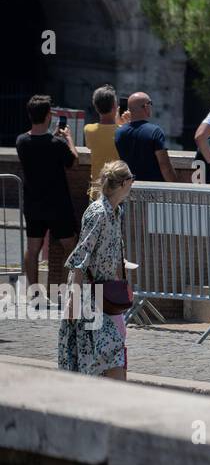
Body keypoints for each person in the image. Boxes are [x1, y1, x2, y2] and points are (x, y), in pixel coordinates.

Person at [58, 160, 135, 379]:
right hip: (89, 298)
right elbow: (81, 256)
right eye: (132, 179)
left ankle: (109, 406)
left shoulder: (116, 212)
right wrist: (73, 297)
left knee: (109, 355)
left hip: (107, 297)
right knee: (103, 355)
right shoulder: (98, 213)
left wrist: (122, 284)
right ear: (124, 183)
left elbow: (110, 251)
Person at [16, 95, 77, 291]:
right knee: (71, 247)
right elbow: (73, 161)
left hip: (33, 204)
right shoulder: (57, 144)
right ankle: (67, 291)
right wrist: (69, 139)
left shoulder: (21, 141)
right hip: (58, 205)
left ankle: (33, 292)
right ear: (49, 115)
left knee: (32, 248)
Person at [114, 92, 178, 183]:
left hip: (129, 186)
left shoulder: (119, 133)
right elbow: (165, 166)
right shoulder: (155, 132)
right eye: (150, 103)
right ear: (146, 107)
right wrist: (175, 186)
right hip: (153, 188)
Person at [84, 86, 121, 180]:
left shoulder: (88, 129)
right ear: (115, 106)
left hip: (97, 186)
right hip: (116, 187)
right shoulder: (123, 131)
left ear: (96, 107)